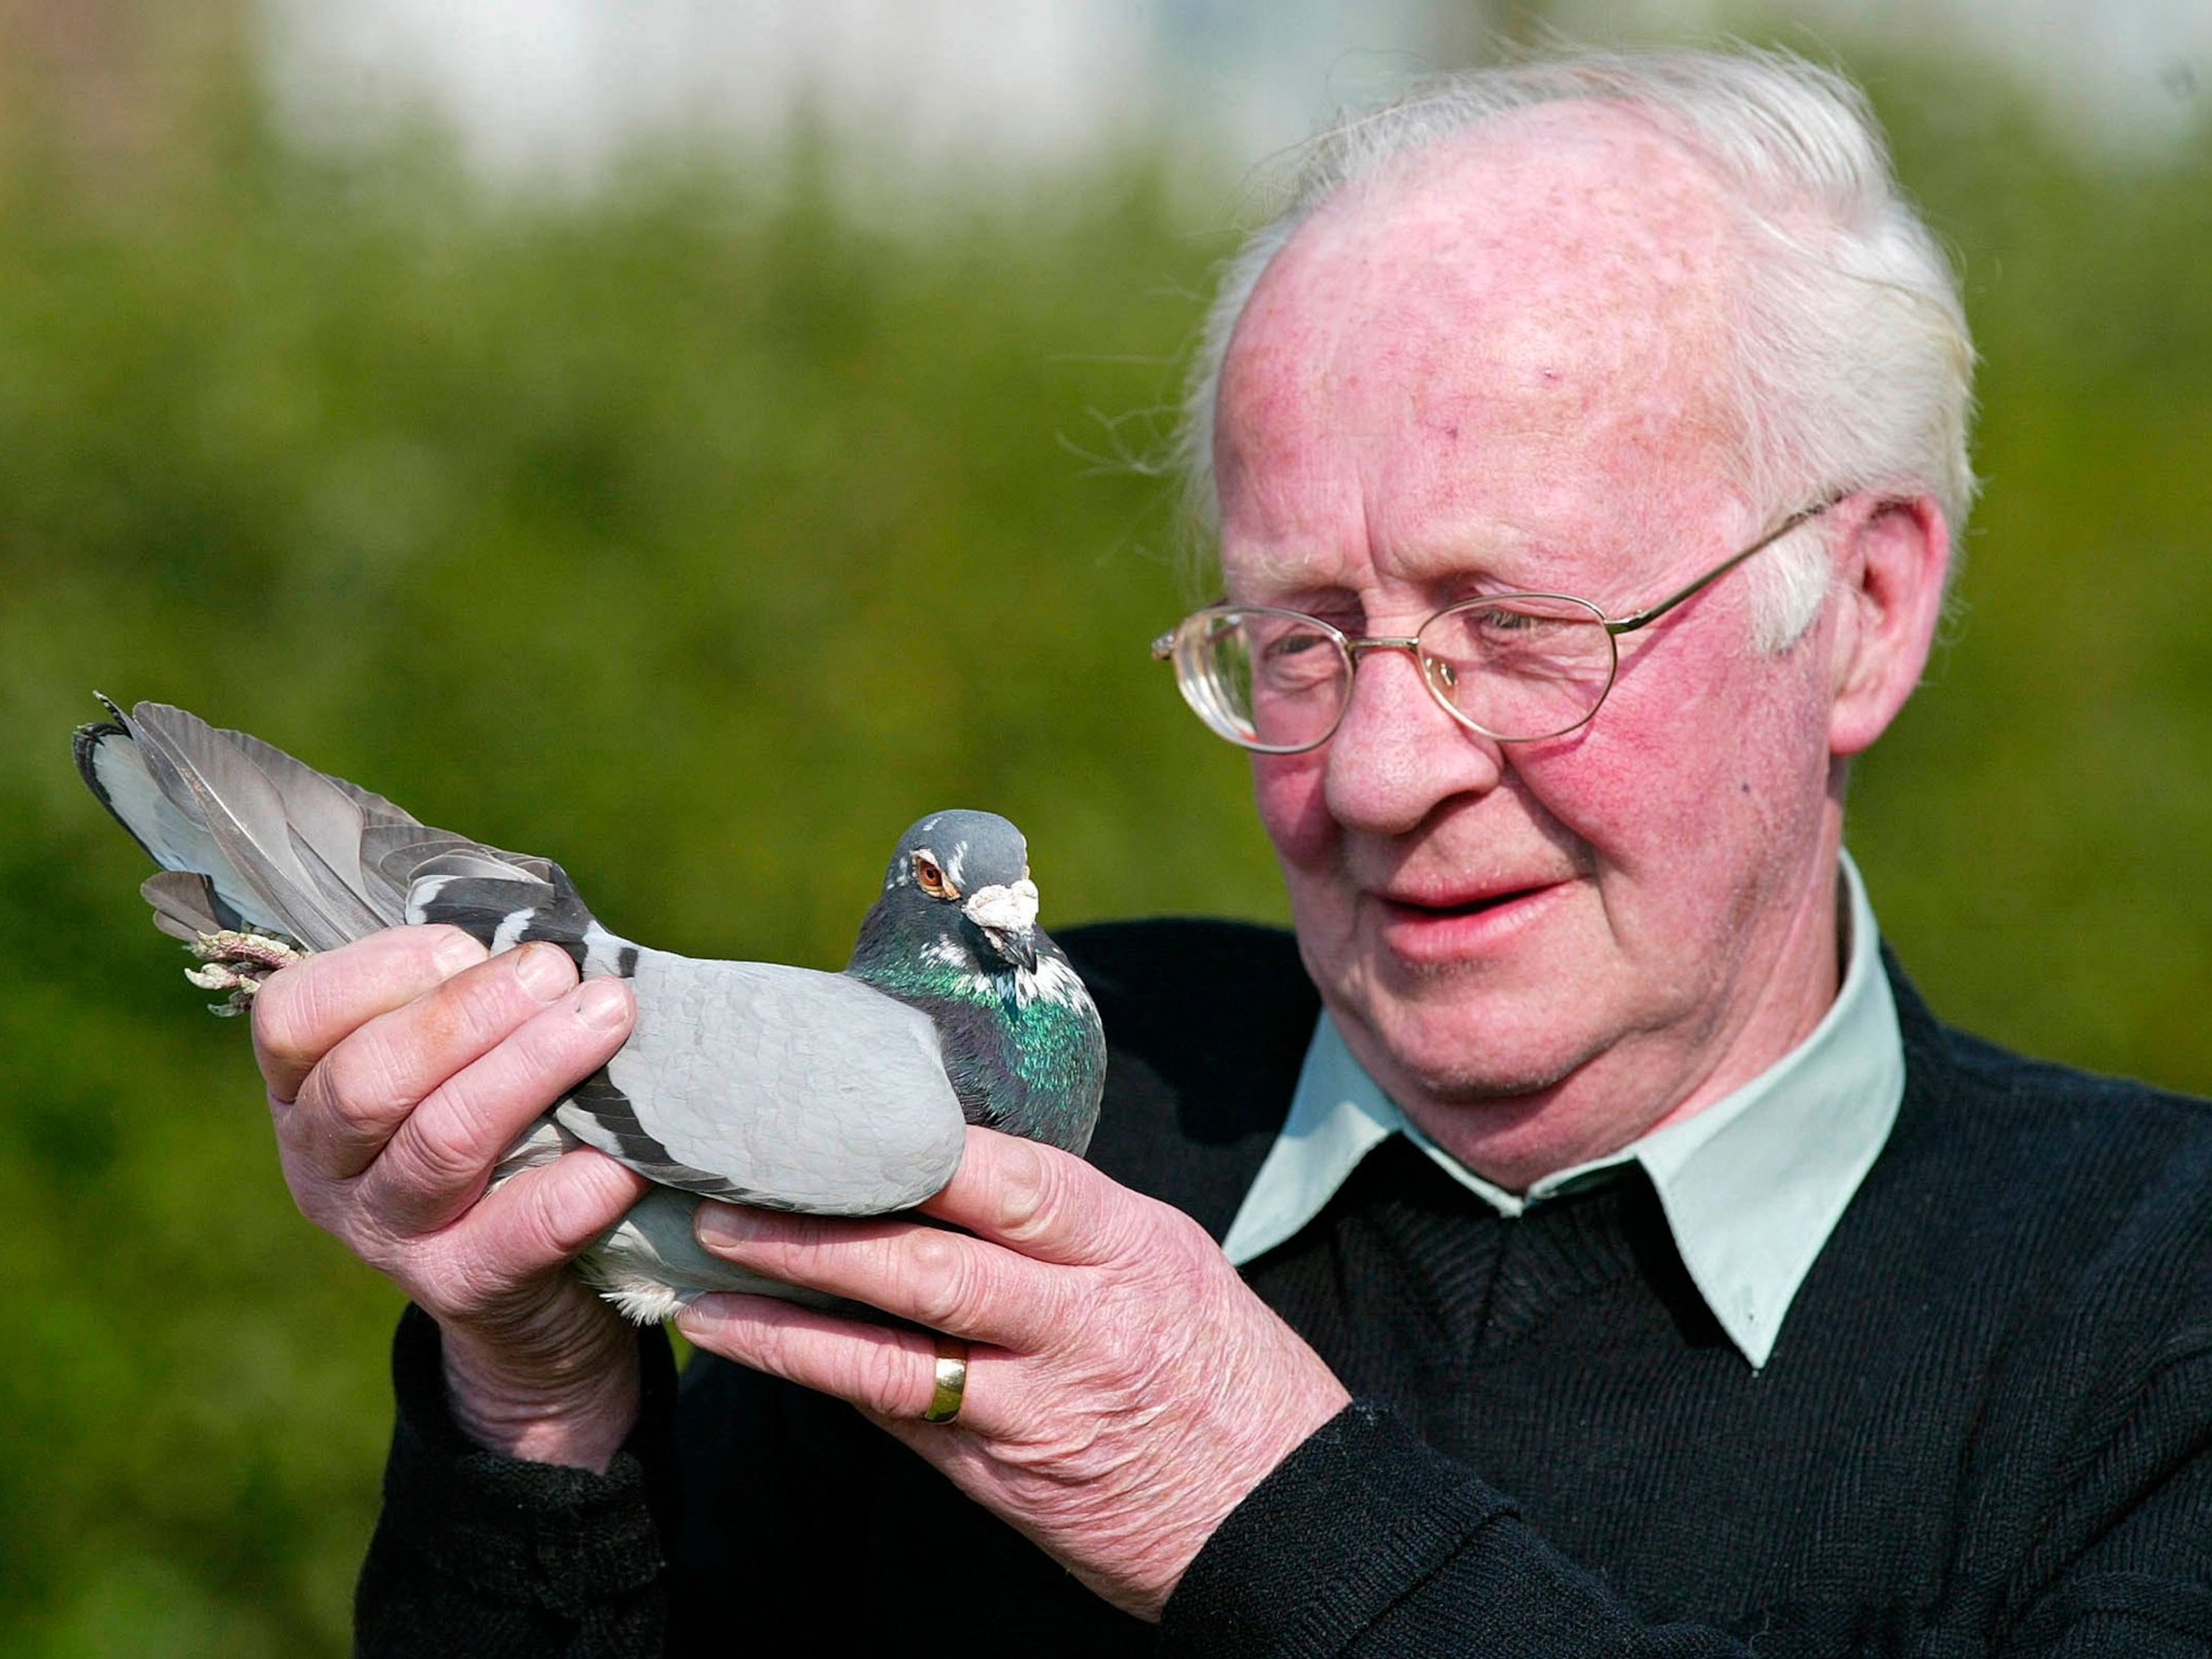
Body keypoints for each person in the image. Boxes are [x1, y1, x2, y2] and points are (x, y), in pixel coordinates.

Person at [253, 48, 2212, 1655]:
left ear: (1863, 610)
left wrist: (1255, 1497)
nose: (1373, 772)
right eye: (1300, 639)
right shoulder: (1038, 1114)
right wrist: (545, 1409)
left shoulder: (2152, 1313)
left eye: (1514, 630)